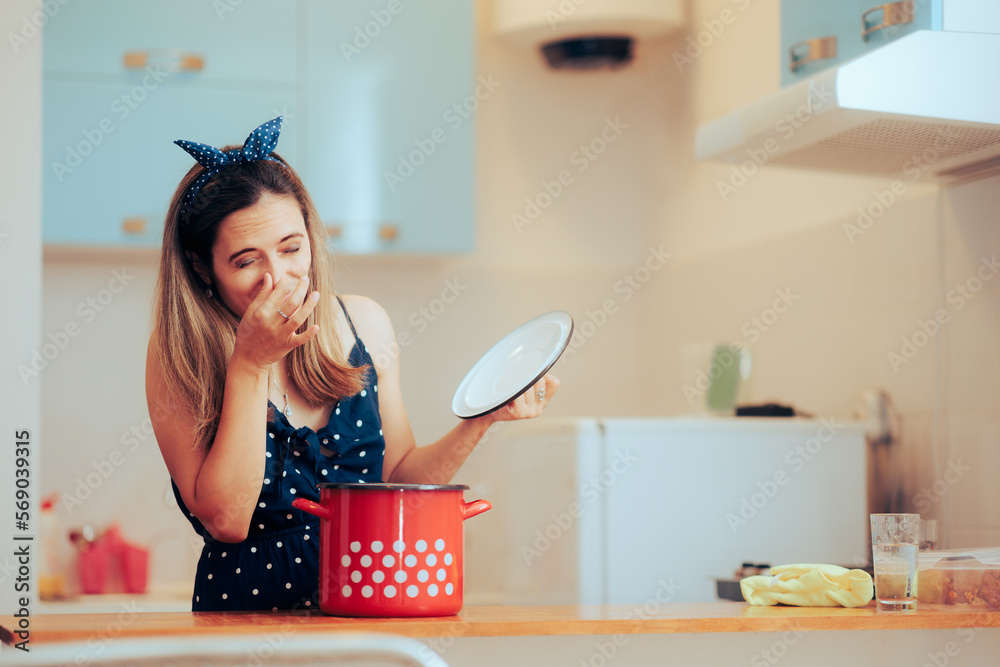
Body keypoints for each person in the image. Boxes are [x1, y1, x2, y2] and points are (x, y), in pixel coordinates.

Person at [145, 117, 559, 611]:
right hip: (242, 622)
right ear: (201, 267)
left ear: (312, 240)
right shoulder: (179, 354)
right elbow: (227, 519)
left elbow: (399, 481)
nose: (277, 278)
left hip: (368, 612)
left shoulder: (365, 323)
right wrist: (250, 364)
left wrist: (483, 419)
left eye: (291, 249)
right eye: (245, 261)